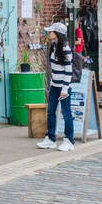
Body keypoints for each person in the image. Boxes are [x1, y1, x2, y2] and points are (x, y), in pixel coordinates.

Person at [37, 21, 75, 152]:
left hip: (63, 87)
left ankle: (69, 140)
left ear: (57, 33)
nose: (49, 33)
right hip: (54, 86)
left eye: (51, 31)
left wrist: (65, 89)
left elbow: (68, 71)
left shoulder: (65, 49)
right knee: (51, 112)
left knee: (66, 114)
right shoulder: (53, 47)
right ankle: (51, 139)